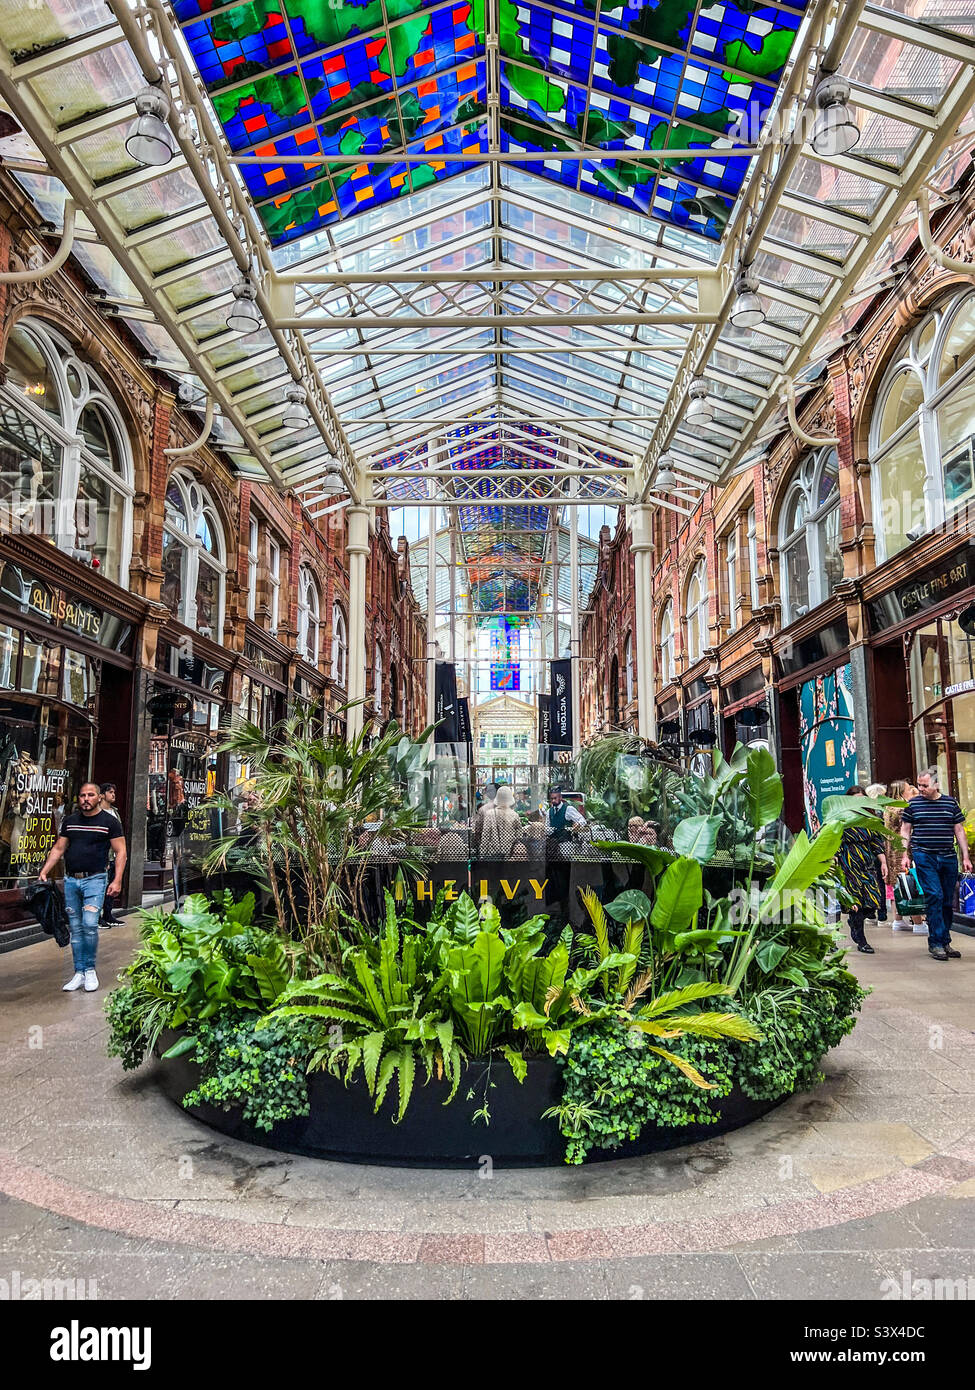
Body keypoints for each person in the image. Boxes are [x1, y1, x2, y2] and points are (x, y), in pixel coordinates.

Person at [38, 782, 127, 993]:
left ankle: (90, 970)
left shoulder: (109, 822)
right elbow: (59, 848)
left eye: (90, 795)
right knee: (76, 928)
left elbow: (121, 851)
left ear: (99, 798)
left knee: (89, 924)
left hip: (95, 879)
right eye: (82, 795)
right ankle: (78, 972)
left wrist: (118, 880)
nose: (86, 799)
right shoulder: (70, 822)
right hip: (71, 880)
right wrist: (45, 870)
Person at [900, 767, 972, 961]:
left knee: (948, 900)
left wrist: (965, 857)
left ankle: (945, 940)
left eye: (925, 785)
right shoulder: (913, 805)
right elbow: (905, 830)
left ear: (937, 784)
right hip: (924, 855)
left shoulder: (950, 803)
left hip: (948, 856)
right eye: (919, 785)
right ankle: (936, 943)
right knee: (935, 895)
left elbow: (959, 830)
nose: (920, 788)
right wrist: (904, 855)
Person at [836, 786, 887, 954]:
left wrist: (884, 862)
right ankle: (861, 939)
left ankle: (854, 923)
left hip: (867, 864)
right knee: (856, 902)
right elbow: (835, 841)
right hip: (848, 864)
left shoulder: (869, 819)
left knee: (872, 902)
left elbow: (876, 843)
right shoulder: (842, 819)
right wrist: (834, 860)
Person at [884, 780, 925, 934]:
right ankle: (918, 923)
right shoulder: (902, 808)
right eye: (908, 789)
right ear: (902, 792)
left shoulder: (888, 807)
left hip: (890, 850)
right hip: (902, 850)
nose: (910, 791)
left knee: (898, 886)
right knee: (910, 885)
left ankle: (898, 920)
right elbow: (907, 829)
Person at [98, 782, 123, 928]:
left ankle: (108, 914)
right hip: (103, 855)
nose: (113, 795)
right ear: (102, 795)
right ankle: (98, 916)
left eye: (114, 792)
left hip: (115, 855)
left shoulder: (115, 812)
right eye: (110, 792)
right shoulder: (97, 812)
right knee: (101, 886)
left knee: (112, 886)